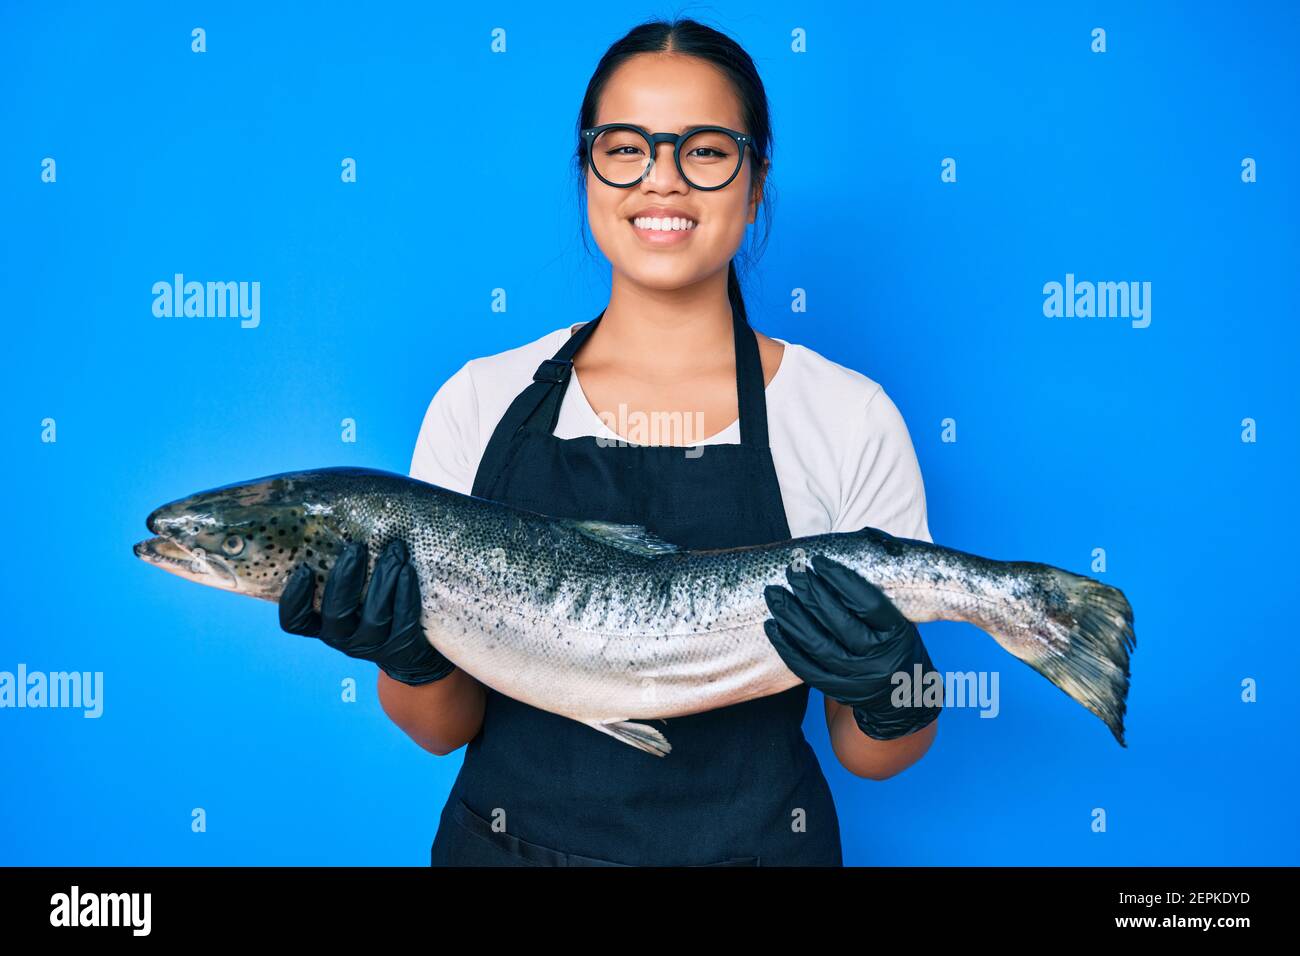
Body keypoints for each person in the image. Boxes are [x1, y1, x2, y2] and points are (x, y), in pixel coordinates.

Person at [278, 17, 943, 867]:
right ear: (588, 168)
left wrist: (896, 685)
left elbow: (875, 753)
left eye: (705, 151)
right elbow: (443, 731)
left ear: (756, 179)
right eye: (625, 148)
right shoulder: (480, 400)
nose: (661, 182)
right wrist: (406, 657)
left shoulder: (847, 416)